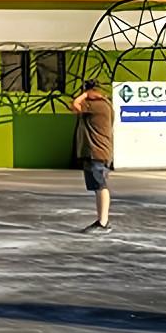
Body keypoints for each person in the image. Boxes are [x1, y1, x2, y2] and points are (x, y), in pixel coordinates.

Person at [69, 81, 113, 232]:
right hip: (96, 151)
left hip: (97, 151)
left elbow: (74, 105)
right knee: (97, 186)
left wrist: (84, 94)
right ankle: (102, 220)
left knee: (100, 185)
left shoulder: (96, 105)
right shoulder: (105, 105)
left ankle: (103, 222)